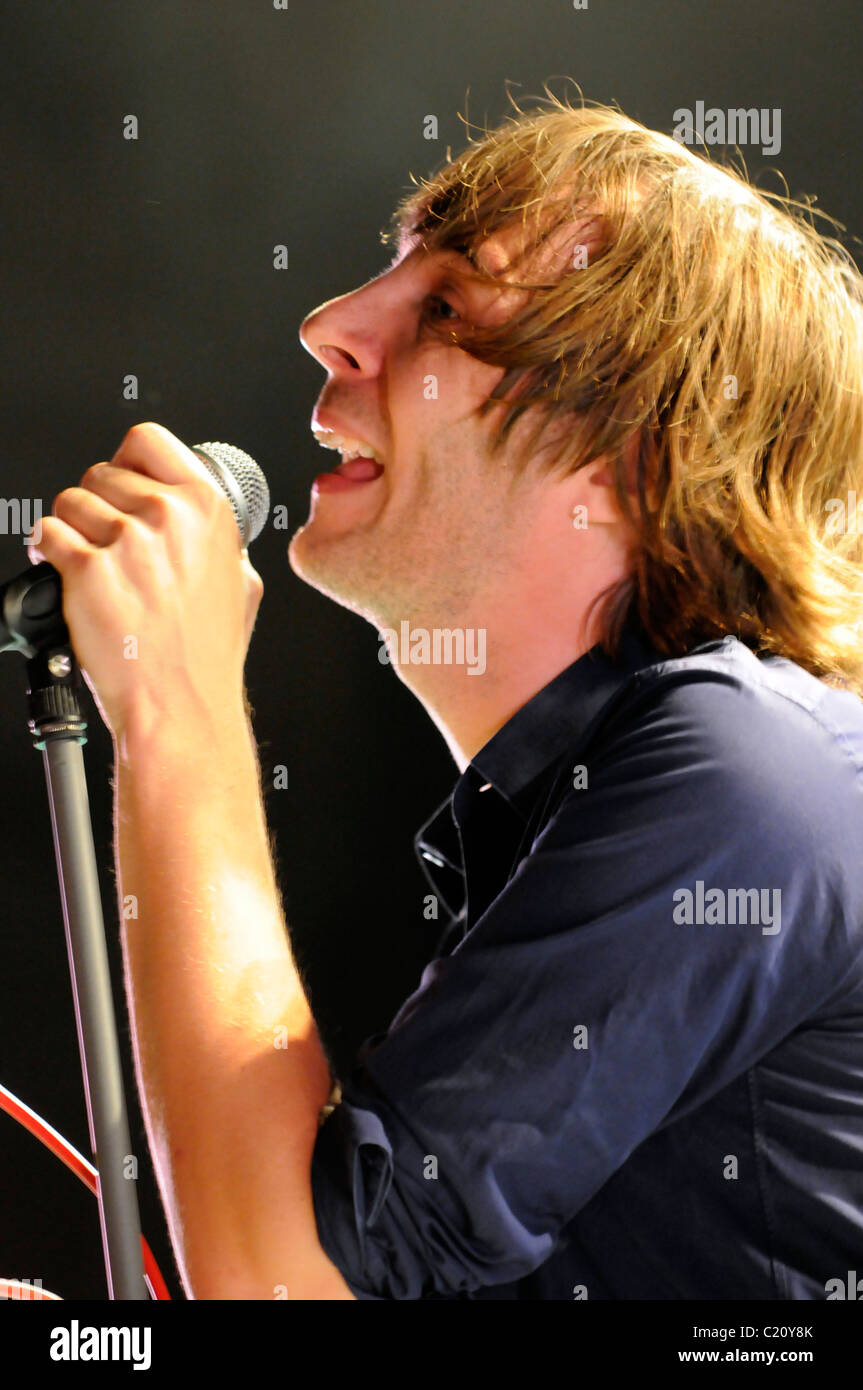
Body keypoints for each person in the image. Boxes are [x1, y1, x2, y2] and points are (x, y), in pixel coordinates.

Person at [30, 96, 863, 1300]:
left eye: (448, 307)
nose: (328, 325)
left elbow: (287, 1285)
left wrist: (178, 697)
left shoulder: (750, 768)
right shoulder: (616, 801)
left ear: (640, 434)